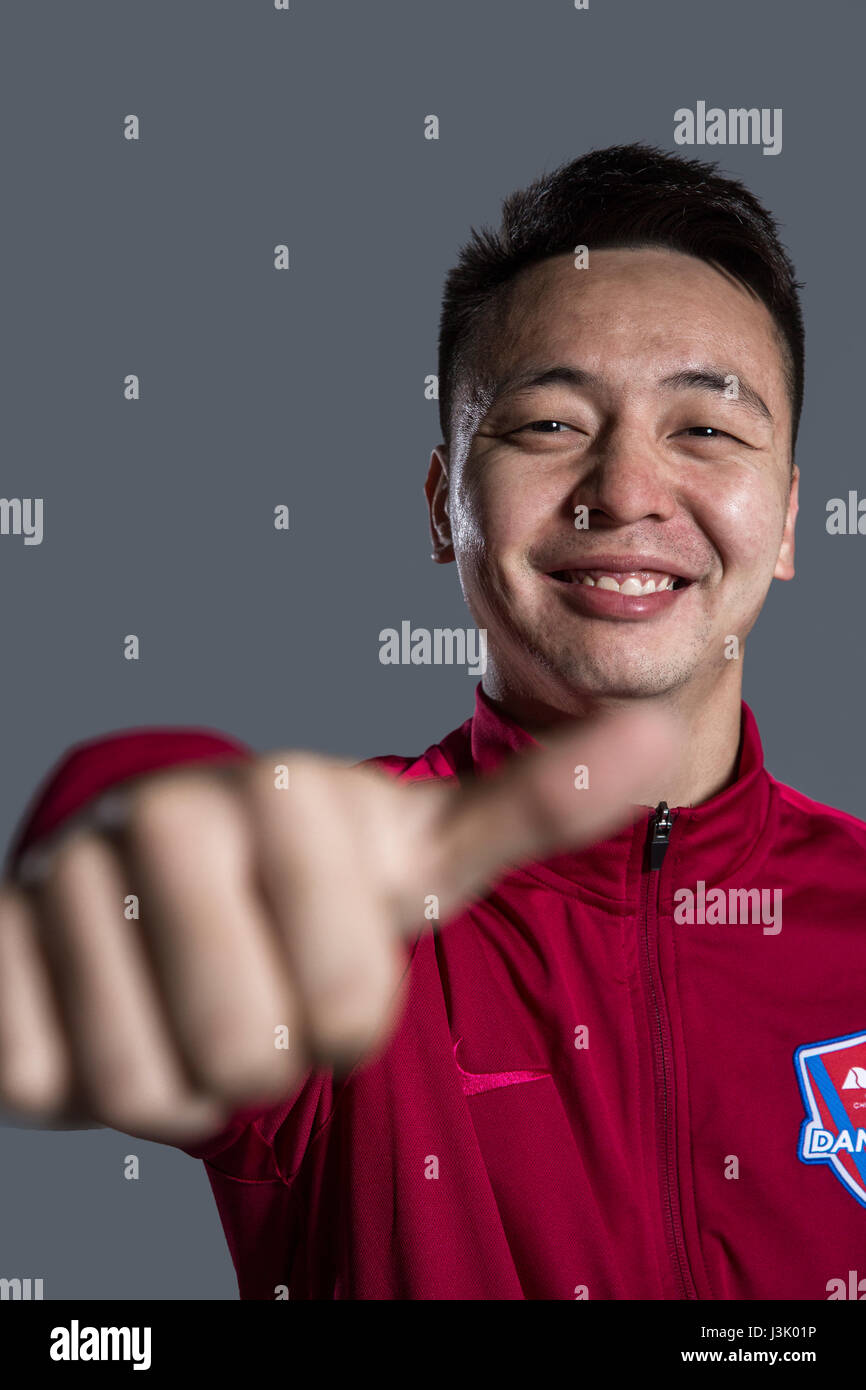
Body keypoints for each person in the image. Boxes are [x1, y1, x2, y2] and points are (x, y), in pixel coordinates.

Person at [2, 144, 864, 1301]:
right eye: (549, 425)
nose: (623, 489)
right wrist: (126, 851)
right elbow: (175, 858)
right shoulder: (341, 902)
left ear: (791, 516)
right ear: (442, 501)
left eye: (704, 430)